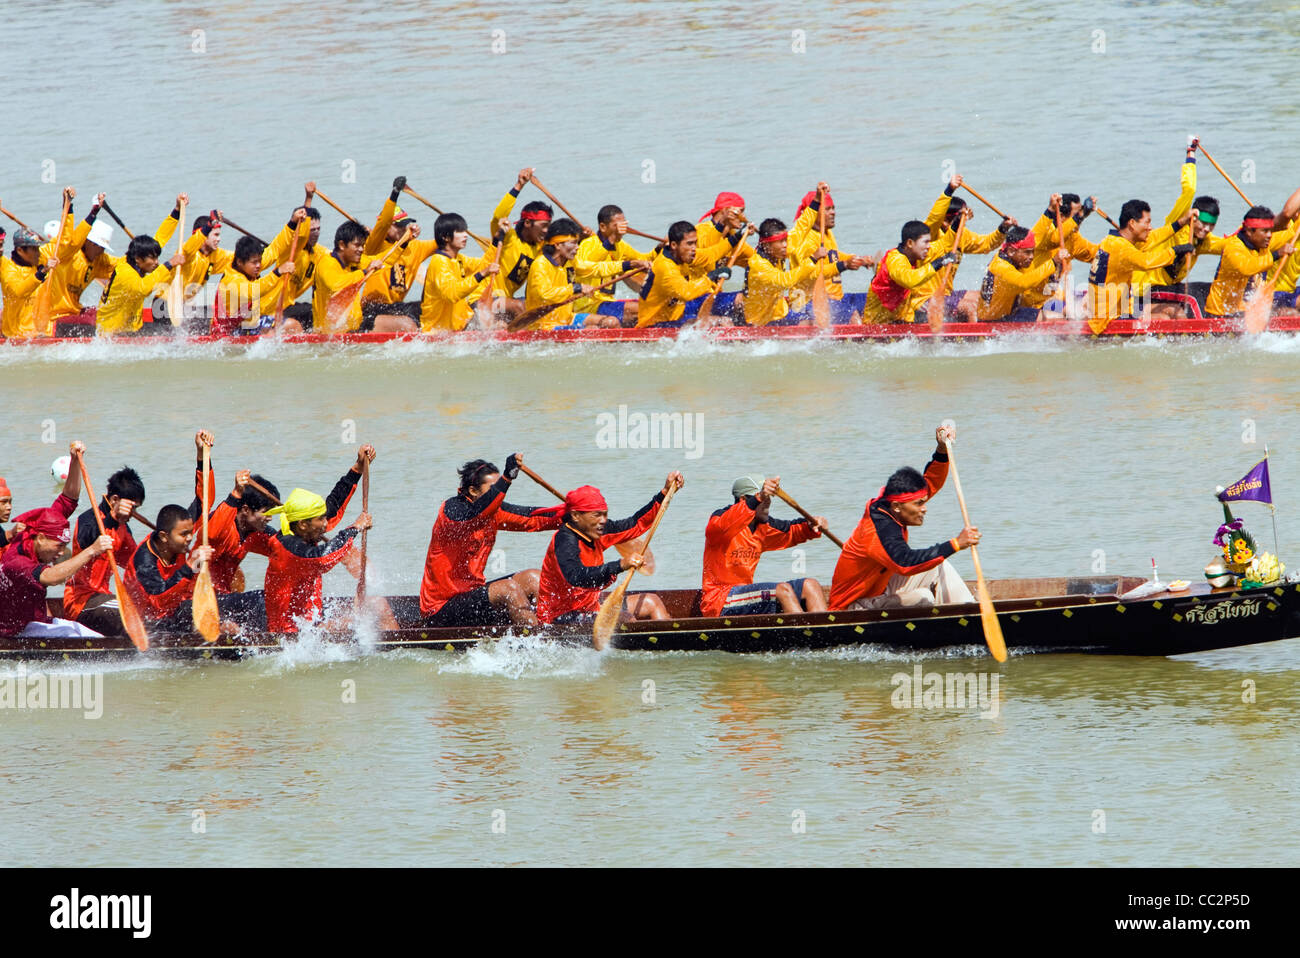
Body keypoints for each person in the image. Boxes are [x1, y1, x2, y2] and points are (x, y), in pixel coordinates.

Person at [829, 425, 979, 611]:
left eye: (922, 502)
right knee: (923, 596)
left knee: (939, 565)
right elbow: (905, 562)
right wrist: (955, 544)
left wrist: (941, 450)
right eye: (918, 504)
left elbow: (929, 484)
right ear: (897, 507)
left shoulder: (892, 502)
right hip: (851, 606)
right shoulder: (877, 530)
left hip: (880, 588)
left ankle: (969, 611)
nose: (924, 509)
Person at [415, 453, 563, 629]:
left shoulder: (493, 512)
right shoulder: (452, 511)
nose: (497, 494)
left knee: (535, 578)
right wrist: (507, 478)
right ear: (473, 491)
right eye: (492, 489)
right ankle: (539, 644)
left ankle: (555, 630)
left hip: (473, 598)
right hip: (440, 610)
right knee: (509, 589)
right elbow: (476, 513)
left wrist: (574, 515)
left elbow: (533, 518)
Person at [536, 473, 684, 629]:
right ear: (576, 516)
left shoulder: (599, 531)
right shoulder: (564, 542)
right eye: (596, 515)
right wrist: (620, 565)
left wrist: (665, 492)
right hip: (558, 617)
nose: (603, 521)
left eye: (604, 514)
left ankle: (670, 644)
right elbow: (577, 577)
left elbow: (635, 524)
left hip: (591, 608)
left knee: (652, 601)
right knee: (625, 618)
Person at [0, 441, 115, 637]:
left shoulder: (36, 529)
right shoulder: (16, 561)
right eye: (58, 546)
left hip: (35, 620)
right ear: (42, 538)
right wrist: (92, 550)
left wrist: (75, 461)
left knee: (90, 634)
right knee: (87, 637)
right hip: (17, 631)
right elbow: (52, 578)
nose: (61, 552)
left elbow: (68, 499)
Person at [261, 445, 373, 632]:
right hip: (290, 633)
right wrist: (355, 528)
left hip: (311, 620)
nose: (325, 523)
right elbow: (322, 558)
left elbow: (335, 503)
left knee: (374, 607)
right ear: (303, 524)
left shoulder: (305, 528)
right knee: (357, 621)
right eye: (320, 519)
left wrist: (358, 468)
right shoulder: (287, 547)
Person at [701, 476, 828, 618]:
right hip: (720, 600)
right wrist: (759, 497)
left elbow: (792, 531)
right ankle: (805, 636)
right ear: (744, 500)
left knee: (811, 585)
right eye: (763, 498)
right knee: (782, 590)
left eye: (768, 498)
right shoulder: (721, 523)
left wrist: (811, 525)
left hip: (747, 596)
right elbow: (723, 524)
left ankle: (827, 633)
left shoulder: (764, 528)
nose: (767, 503)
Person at [65, 464, 147, 635]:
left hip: (103, 599)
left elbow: (137, 563)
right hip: (80, 602)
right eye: (133, 508)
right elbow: (87, 540)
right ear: (115, 500)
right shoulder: (88, 520)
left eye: (136, 509)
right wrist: (112, 518)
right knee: (130, 613)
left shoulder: (123, 528)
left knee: (147, 609)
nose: (133, 514)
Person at [1086, 199, 1189, 332]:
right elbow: (1146, 262)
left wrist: (1180, 223)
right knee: (1163, 319)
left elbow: (1152, 238)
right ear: (1132, 224)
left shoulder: (1114, 241)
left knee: (1174, 310)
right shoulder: (1121, 247)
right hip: (1106, 320)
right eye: (1147, 222)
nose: (1150, 227)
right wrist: (1175, 251)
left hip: (1121, 309)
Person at [743, 218, 861, 326]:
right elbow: (785, 281)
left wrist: (842, 265)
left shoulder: (775, 254)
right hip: (762, 320)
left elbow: (801, 228)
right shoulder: (758, 265)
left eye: (786, 240)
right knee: (811, 321)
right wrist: (813, 258)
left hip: (779, 311)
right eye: (780, 242)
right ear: (766, 245)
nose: (785, 245)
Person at [123, 503, 217, 631]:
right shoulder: (144, 561)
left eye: (190, 532)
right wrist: (189, 567)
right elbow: (159, 601)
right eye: (184, 534)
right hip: (148, 622)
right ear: (164, 536)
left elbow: (202, 501)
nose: (190, 538)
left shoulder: (176, 538)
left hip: (174, 609)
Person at [312, 220, 415, 333]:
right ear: (342, 245)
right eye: (357, 245)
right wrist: (365, 272)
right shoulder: (326, 263)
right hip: (330, 333)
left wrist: (404, 242)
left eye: (362, 245)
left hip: (355, 326)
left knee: (406, 324)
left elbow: (384, 259)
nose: (361, 249)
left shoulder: (356, 262)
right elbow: (336, 285)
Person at [788, 183, 869, 323]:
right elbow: (812, 272)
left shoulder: (826, 232)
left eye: (833, 208)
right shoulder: (806, 239)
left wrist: (857, 260)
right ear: (813, 213)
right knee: (853, 315)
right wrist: (843, 265)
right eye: (827, 209)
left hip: (835, 298)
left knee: (874, 299)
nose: (833, 212)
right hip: (808, 302)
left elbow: (834, 255)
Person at [636, 221, 737, 328]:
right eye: (689, 243)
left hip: (677, 314)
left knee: (730, 309)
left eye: (695, 243)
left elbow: (711, 253)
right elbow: (687, 293)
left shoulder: (683, 255)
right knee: (720, 321)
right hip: (653, 325)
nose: (694, 248)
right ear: (674, 245)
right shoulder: (666, 268)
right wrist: (711, 277)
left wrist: (736, 237)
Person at [1205, 205, 1299, 317]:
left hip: (1247, 310)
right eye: (1265, 231)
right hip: (1221, 314)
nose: (1269, 235)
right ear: (1249, 231)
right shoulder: (1233, 247)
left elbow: (1293, 232)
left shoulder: (1263, 242)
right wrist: (1276, 255)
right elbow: (1247, 267)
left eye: (1270, 231)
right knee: (1290, 314)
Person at [520, 218, 613, 329]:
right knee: (592, 330)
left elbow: (596, 268)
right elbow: (544, 294)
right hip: (545, 326)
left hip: (568, 318)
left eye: (577, 243)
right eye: (573, 243)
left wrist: (627, 265)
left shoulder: (571, 262)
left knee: (611, 322)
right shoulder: (540, 264)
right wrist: (576, 288)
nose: (577, 247)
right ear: (558, 245)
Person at [957, 226, 1065, 321]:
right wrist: (1053, 262)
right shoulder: (1001, 267)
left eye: (1033, 251)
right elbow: (1023, 283)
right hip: (996, 320)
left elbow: (1038, 234)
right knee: (1055, 318)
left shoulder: (1007, 256)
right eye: (1027, 252)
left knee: (1060, 311)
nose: (1031, 257)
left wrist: (1049, 212)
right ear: (1011, 251)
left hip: (1008, 312)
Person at [488, 167, 553, 319]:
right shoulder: (508, 237)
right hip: (486, 299)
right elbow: (498, 216)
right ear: (528, 223)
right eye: (543, 226)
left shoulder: (539, 248)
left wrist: (586, 236)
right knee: (519, 306)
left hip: (505, 302)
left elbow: (564, 243)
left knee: (542, 305)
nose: (546, 231)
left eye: (548, 227)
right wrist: (519, 185)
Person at [418, 212, 499, 332]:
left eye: (465, 231)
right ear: (445, 237)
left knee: (500, 323)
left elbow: (485, 265)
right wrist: (481, 275)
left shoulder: (458, 259)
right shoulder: (438, 262)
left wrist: (497, 240)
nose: (465, 235)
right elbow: (452, 294)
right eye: (459, 232)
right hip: (437, 331)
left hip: (460, 325)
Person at [572, 205, 652, 324]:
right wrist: (612, 238)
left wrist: (662, 249)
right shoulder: (587, 244)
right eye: (617, 226)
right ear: (603, 227)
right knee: (643, 310)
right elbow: (592, 266)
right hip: (588, 304)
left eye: (624, 224)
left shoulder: (621, 245)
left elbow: (644, 258)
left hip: (607, 302)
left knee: (651, 305)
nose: (623, 229)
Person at [863, 221, 954, 324]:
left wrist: (956, 224)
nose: (929, 246)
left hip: (902, 319)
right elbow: (909, 280)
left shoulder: (917, 253)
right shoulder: (895, 260)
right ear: (910, 243)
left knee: (945, 318)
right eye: (925, 242)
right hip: (878, 325)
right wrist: (937, 264)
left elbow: (945, 244)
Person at [95, 234, 185, 336]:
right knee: (168, 334)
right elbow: (143, 289)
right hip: (112, 333)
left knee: (167, 329)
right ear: (138, 258)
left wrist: (174, 218)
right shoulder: (126, 273)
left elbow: (160, 236)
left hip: (129, 328)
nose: (157, 262)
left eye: (157, 258)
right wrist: (169, 264)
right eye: (153, 258)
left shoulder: (133, 264)